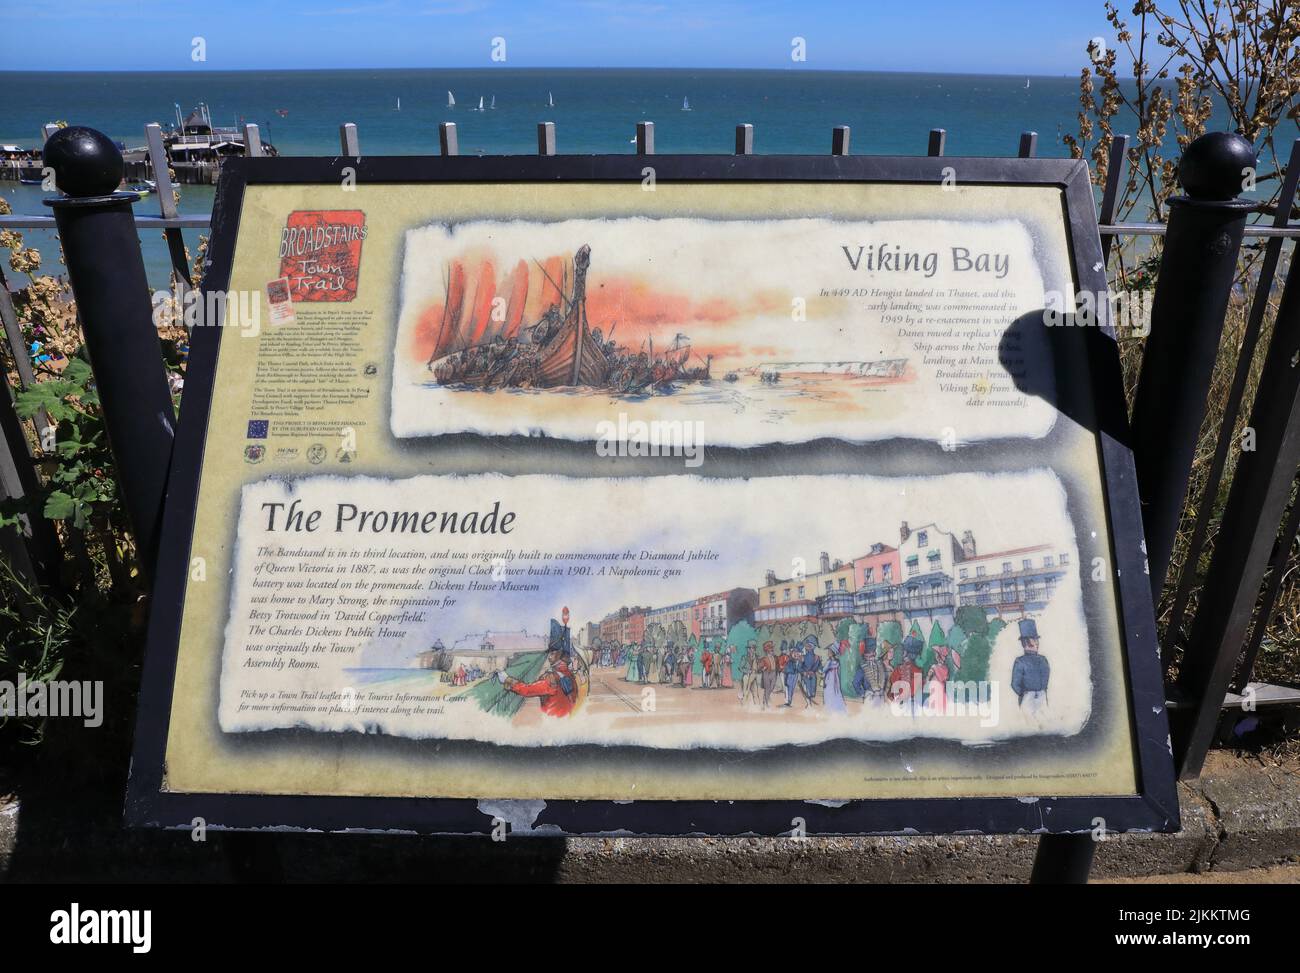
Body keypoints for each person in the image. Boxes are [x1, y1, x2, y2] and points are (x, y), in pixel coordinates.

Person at [498, 623, 579, 718]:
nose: (549, 657)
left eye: (552, 653)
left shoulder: (551, 678)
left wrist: (507, 679)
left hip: (553, 717)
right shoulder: (569, 674)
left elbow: (528, 690)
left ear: (560, 655)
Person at [1011, 619, 1050, 713]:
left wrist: (1041, 691)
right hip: (1028, 698)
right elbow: (1015, 684)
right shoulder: (1020, 661)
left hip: (1042, 696)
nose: (1037, 643)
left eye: (1036, 640)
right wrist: (1025, 694)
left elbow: (1046, 678)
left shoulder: (1043, 659)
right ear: (1026, 642)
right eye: (1035, 639)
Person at [887, 635, 924, 715]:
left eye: (903, 650)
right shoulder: (917, 671)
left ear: (907, 653)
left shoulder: (899, 670)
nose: (901, 652)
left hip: (907, 706)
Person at [823, 643, 846, 714]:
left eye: (829, 651)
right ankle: (835, 707)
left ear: (833, 653)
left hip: (830, 679)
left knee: (829, 692)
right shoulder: (837, 661)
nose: (828, 653)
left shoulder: (829, 662)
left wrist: (820, 670)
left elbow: (824, 670)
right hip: (835, 679)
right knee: (835, 691)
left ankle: (830, 708)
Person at [799, 637, 822, 707]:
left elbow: (819, 667)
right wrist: (803, 672)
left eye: (809, 646)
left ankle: (809, 703)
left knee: (812, 692)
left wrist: (822, 671)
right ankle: (809, 704)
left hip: (812, 677)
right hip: (805, 676)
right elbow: (799, 668)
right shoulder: (803, 657)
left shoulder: (817, 657)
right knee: (807, 691)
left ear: (813, 647)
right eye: (807, 646)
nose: (807, 648)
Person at [759, 641, 779, 708]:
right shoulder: (764, 659)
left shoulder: (775, 657)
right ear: (767, 651)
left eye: (772, 649)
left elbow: (777, 665)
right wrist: (762, 668)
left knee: (772, 687)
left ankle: (766, 698)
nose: (772, 651)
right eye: (771, 650)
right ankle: (765, 703)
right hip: (766, 673)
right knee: (767, 688)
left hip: (773, 673)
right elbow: (760, 667)